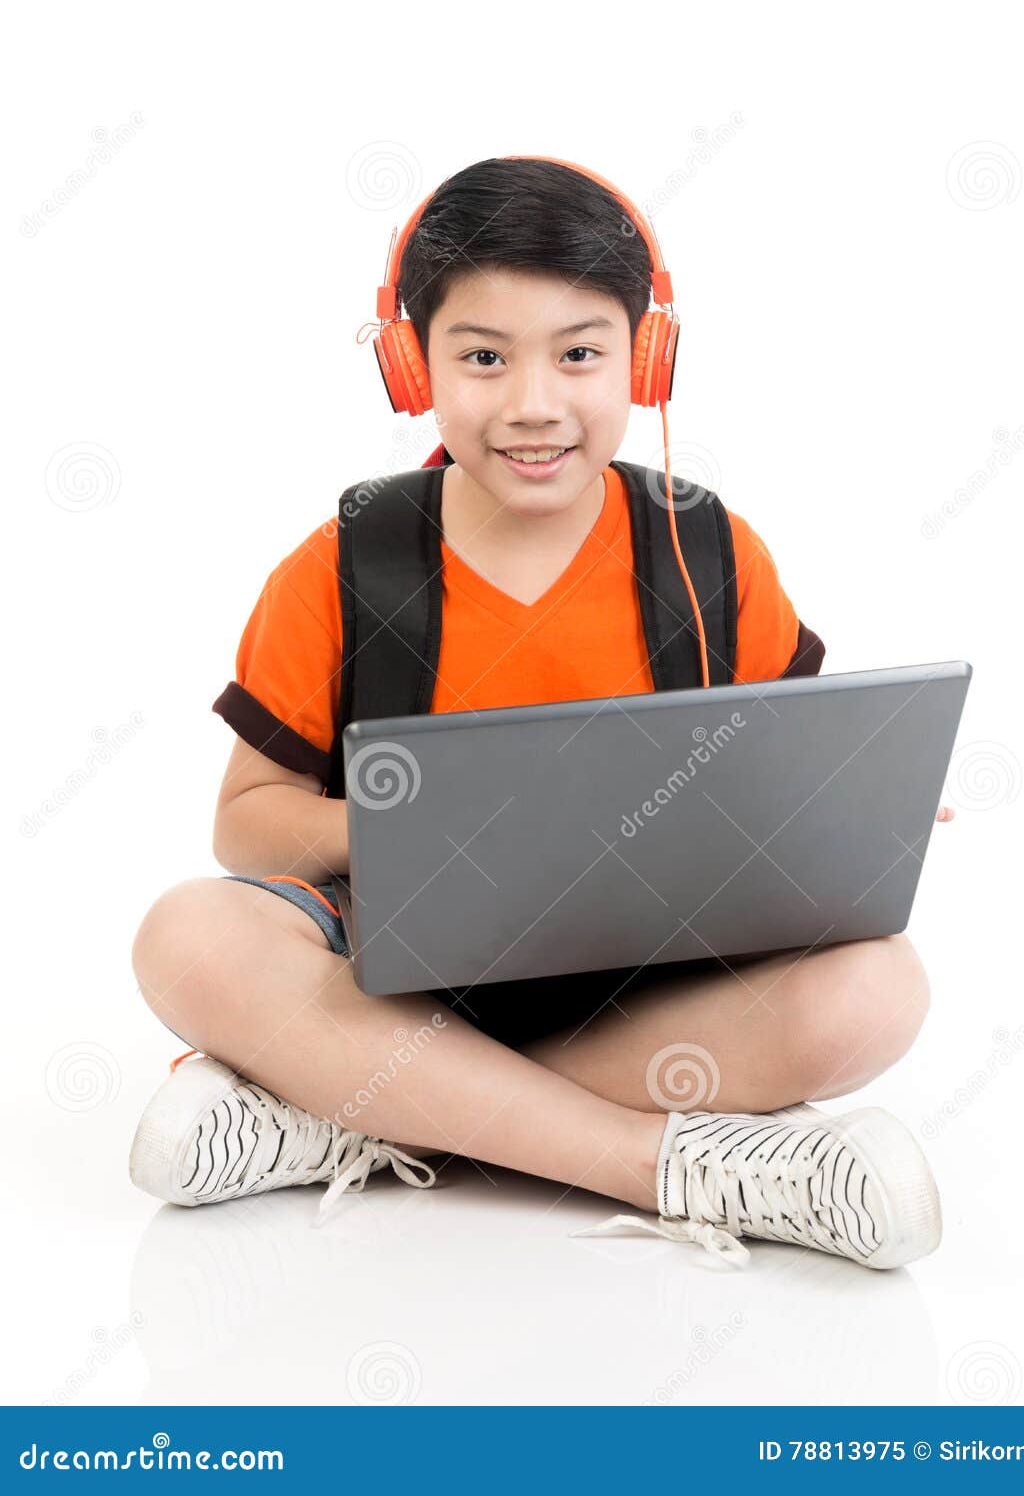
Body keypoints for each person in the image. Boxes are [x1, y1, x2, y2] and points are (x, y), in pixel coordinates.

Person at [128, 156, 953, 1271]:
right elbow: (246, 822)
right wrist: (440, 820)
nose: (533, 403)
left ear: (643, 359)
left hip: (640, 990)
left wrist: (847, 809)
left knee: (877, 988)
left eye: (578, 353)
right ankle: (670, 1162)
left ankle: (338, 1112)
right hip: (388, 965)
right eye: (481, 357)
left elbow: (775, 775)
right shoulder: (343, 565)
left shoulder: (704, 554)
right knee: (189, 933)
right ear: (414, 366)